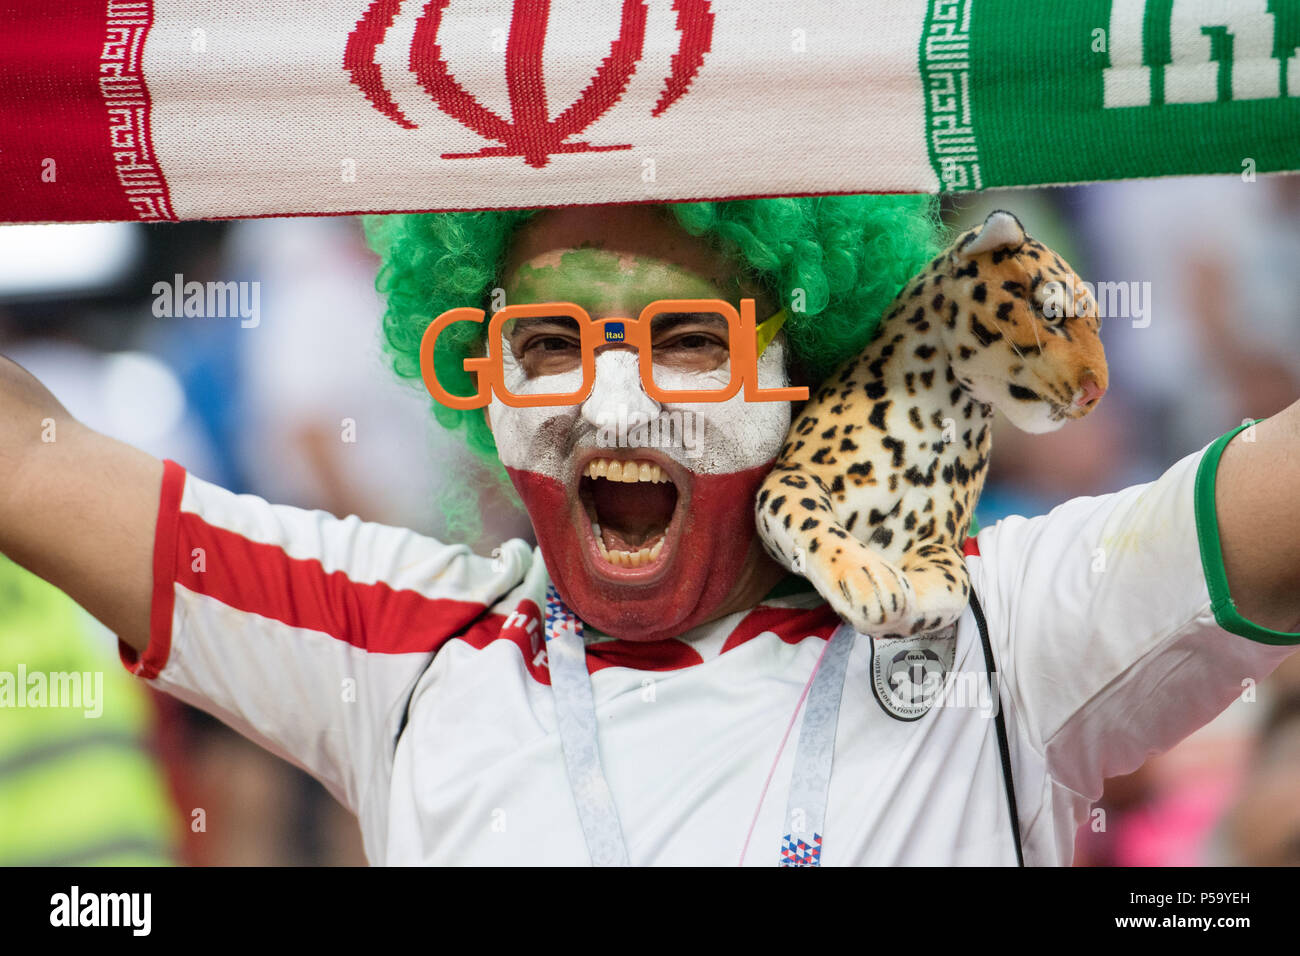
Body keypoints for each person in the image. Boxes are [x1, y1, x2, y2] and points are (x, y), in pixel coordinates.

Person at [1, 195, 1298, 866]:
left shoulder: (993, 632)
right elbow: (27, 462)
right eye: (549, 349)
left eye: (688, 344)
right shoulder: (404, 648)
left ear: (801, 367)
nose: (611, 406)